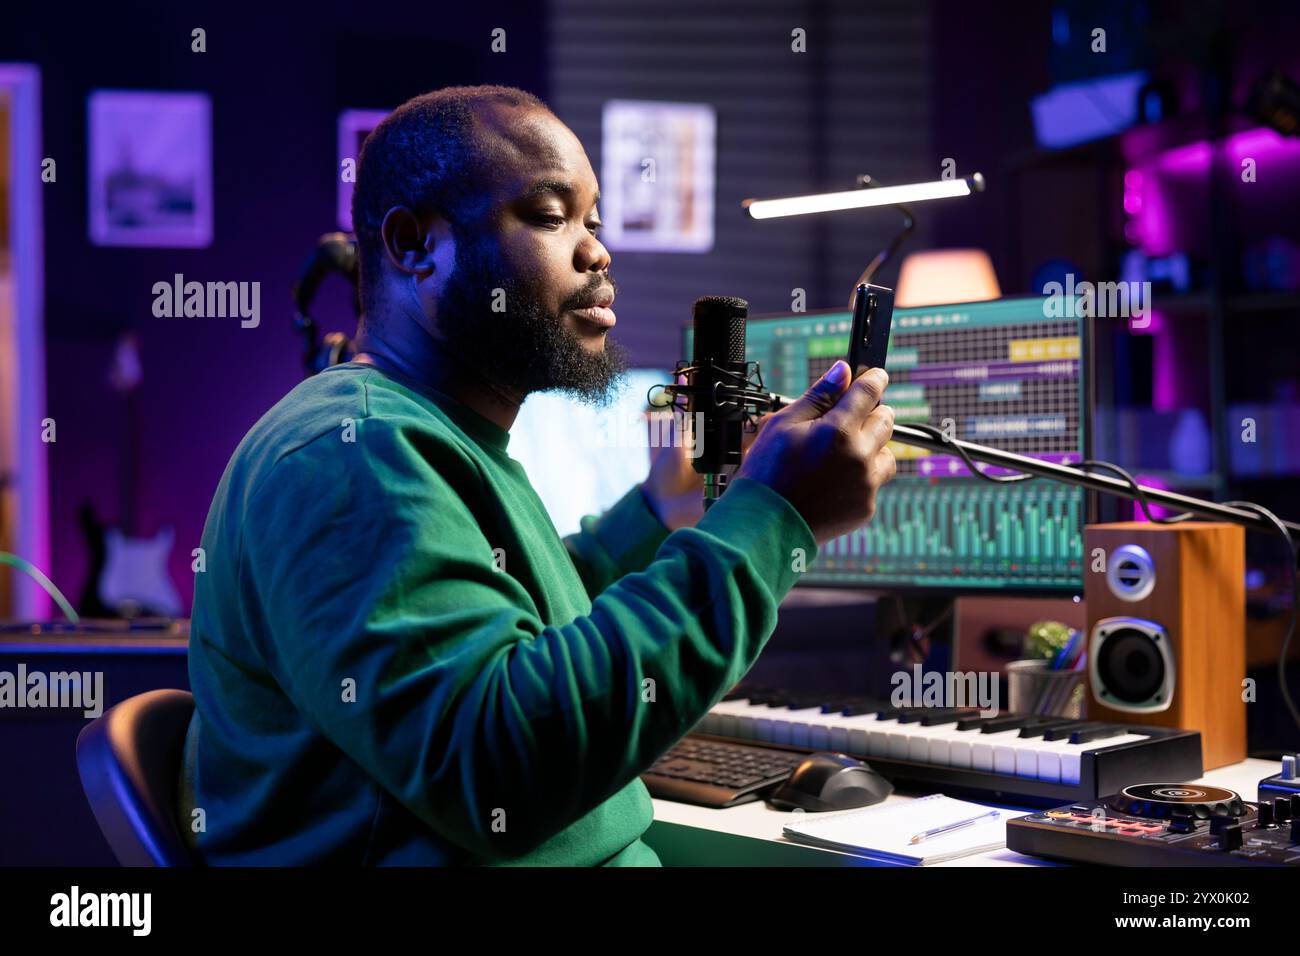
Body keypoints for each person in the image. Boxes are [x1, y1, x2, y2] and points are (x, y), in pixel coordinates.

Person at [179, 84, 896, 865]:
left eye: (595, 221)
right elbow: (496, 767)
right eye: (552, 217)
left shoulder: (441, 437)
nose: (597, 251)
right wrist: (769, 520)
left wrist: (659, 512)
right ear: (414, 243)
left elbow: (517, 629)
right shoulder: (352, 453)